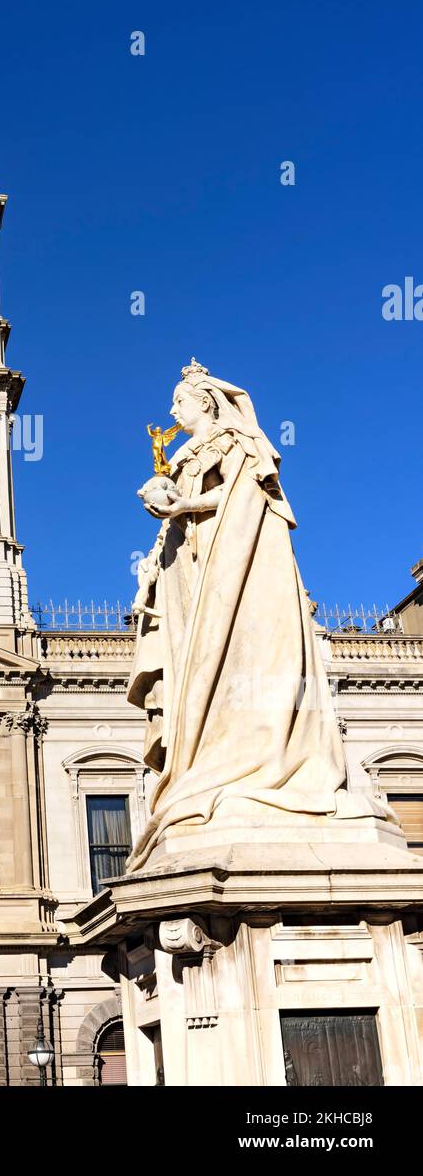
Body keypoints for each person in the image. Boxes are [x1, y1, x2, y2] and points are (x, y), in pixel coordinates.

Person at [127, 359, 392, 869]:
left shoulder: (238, 441)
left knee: (235, 653)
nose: (171, 409)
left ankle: (249, 764)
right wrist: (163, 499)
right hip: (192, 572)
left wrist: (183, 507)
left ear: (203, 402)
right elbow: (188, 508)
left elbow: (245, 496)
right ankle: (207, 761)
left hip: (234, 566)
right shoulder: (183, 454)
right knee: (200, 673)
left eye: (178, 402)